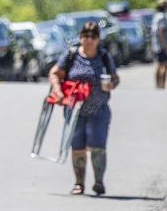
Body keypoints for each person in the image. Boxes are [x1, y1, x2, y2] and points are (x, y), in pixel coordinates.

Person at [47, 22, 119, 196]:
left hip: (99, 108)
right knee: (77, 146)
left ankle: (99, 182)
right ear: (80, 37)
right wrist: (58, 92)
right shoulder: (71, 55)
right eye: (85, 36)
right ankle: (79, 183)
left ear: (98, 39)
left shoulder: (103, 56)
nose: (88, 40)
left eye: (92, 36)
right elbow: (54, 73)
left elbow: (116, 78)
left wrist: (111, 85)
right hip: (74, 109)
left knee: (97, 146)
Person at [151, 0, 167, 89]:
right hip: (161, 46)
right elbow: (160, 32)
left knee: (159, 64)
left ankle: (158, 84)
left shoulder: (156, 16)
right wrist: (166, 46)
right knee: (164, 64)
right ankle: (162, 84)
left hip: (156, 45)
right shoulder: (162, 17)